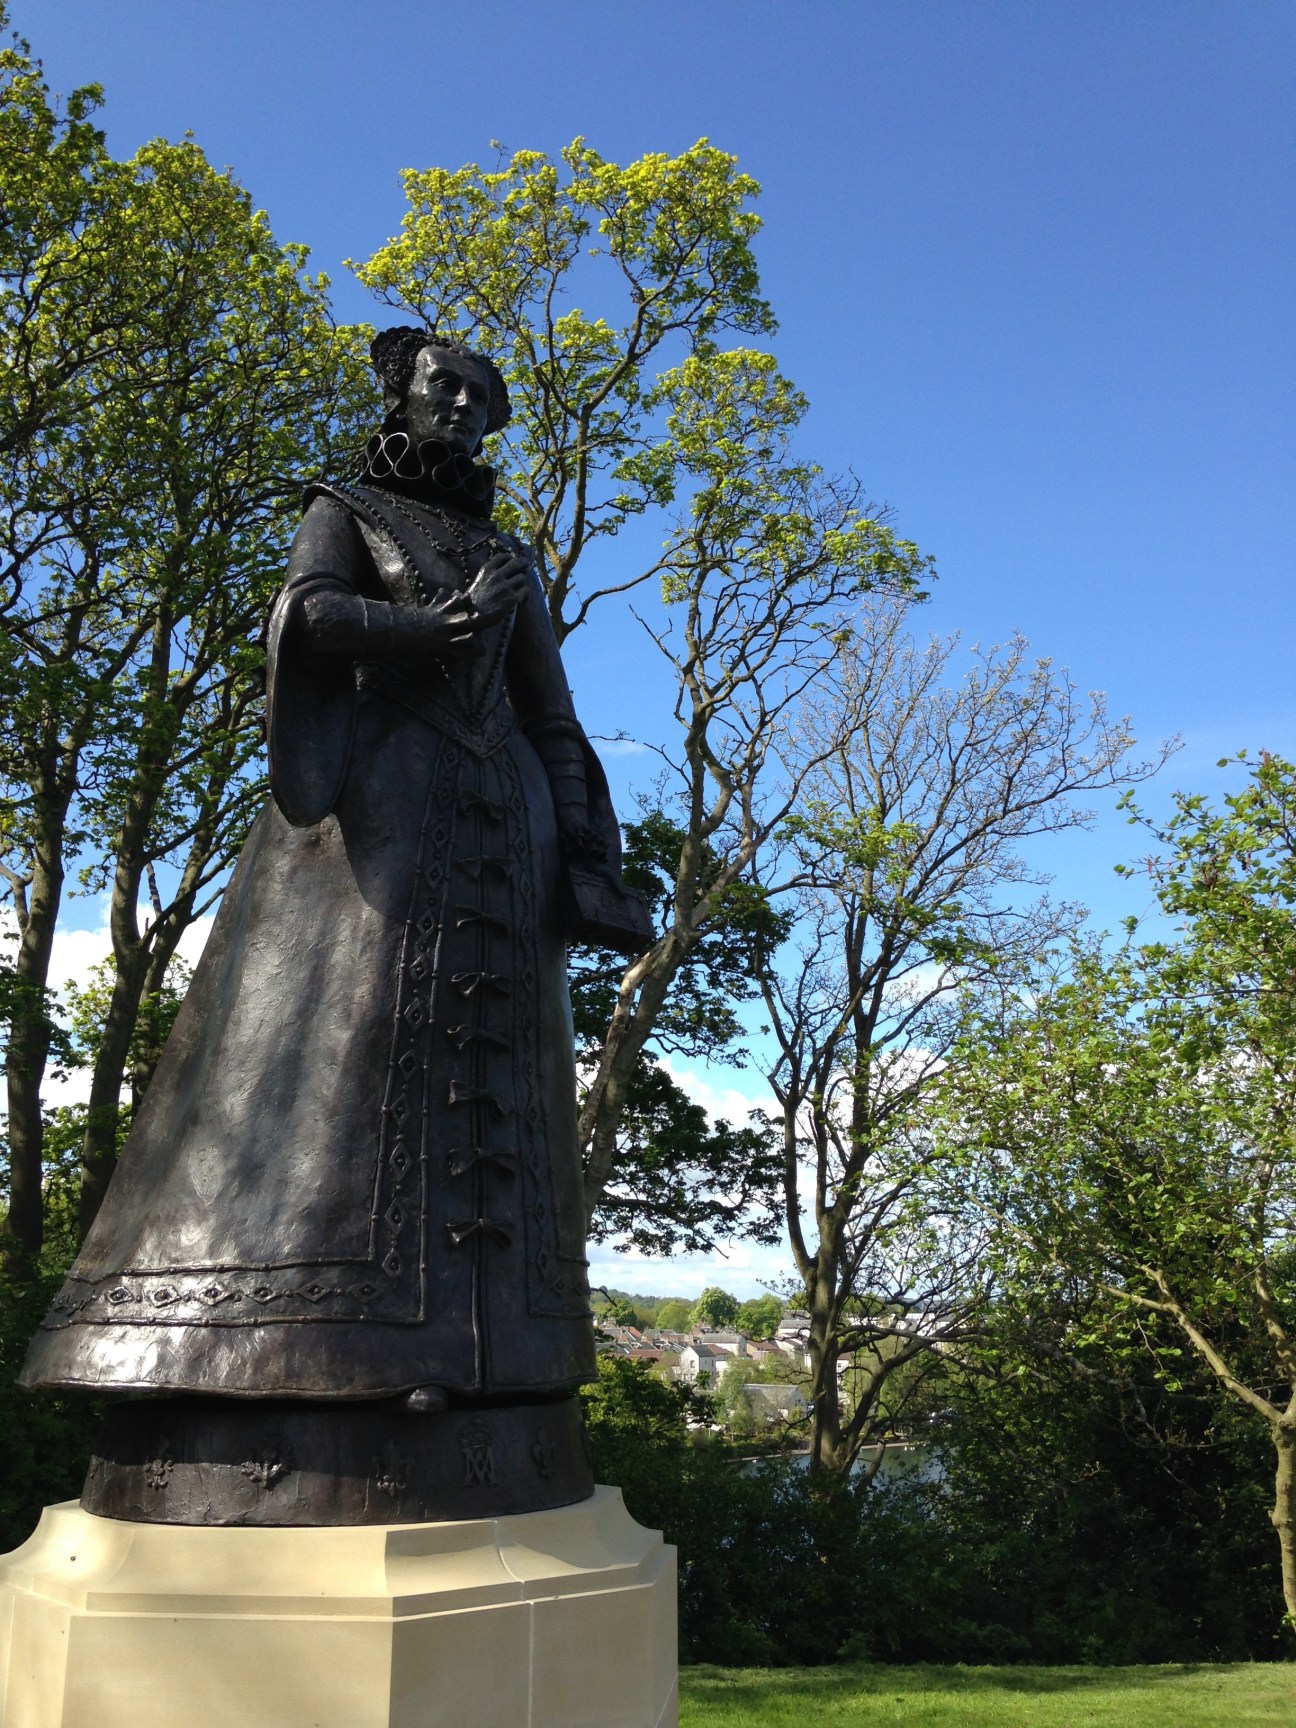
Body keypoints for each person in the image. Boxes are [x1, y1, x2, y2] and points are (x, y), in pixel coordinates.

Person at [21, 328, 646, 1422]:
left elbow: (551, 709)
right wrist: (425, 629)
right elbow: (305, 616)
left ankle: (496, 1348)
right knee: (347, 1050)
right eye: (439, 386)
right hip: (381, 807)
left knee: (504, 1077)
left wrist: (585, 834)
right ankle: (292, 1334)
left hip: (507, 832)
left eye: (477, 395)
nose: (456, 404)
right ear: (402, 397)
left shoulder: (513, 562)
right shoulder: (348, 509)